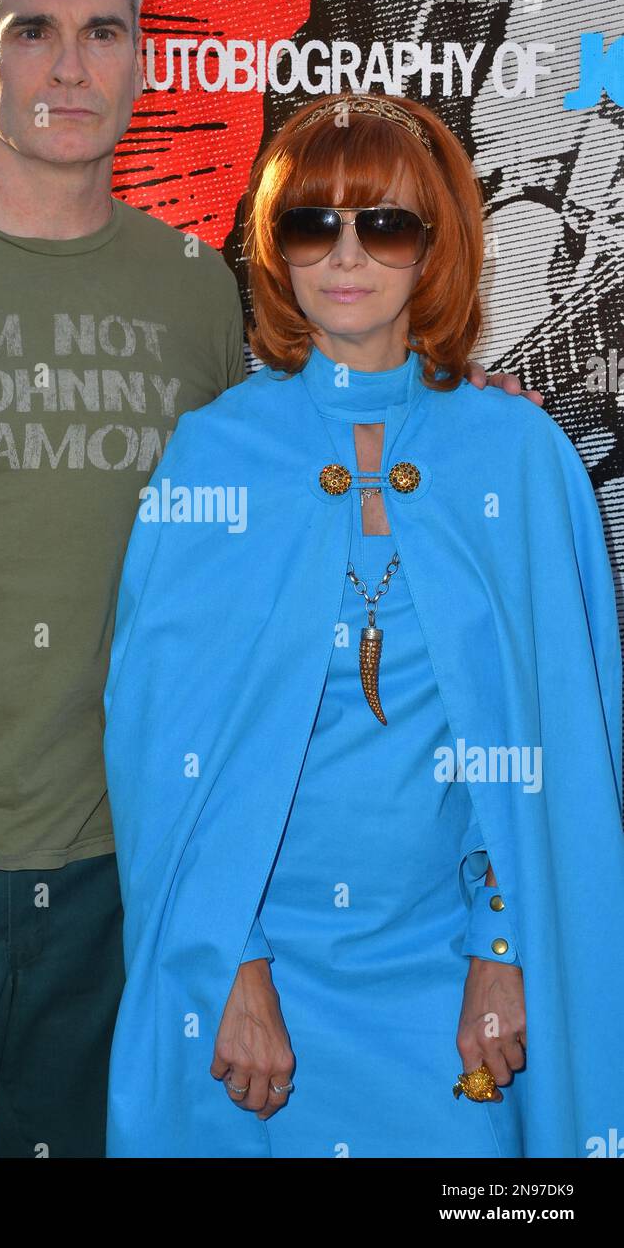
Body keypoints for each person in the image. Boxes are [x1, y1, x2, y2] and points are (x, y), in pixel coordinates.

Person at [0, 0, 536, 1157]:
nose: (70, 65)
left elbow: (317, 441)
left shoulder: (195, 290)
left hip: (130, 877)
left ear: (141, 58)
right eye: (34, 30)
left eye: (103, 30)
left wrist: (462, 411)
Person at [102, 91, 624, 1158]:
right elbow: (156, 748)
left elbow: (552, 746)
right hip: (253, 964)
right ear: (274, 248)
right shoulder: (216, 458)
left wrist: (504, 943)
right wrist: (230, 962)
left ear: (435, 246)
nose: (345, 253)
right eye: (311, 223)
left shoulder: (519, 461)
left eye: (383, 223)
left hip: (451, 971)